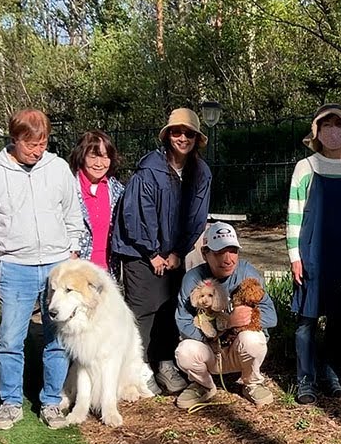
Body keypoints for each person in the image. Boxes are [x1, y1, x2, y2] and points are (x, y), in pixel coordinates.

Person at [0, 109, 88, 430]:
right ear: (14, 139)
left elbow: (71, 212)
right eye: (31, 145)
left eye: (42, 143)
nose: (38, 150)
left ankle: (51, 401)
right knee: (10, 338)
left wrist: (71, 250)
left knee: (57, 338)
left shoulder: (57, 168)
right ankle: (10, 402)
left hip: (57, 266)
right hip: (14, 266)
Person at [110, 108, 212, 395]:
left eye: (189, 133)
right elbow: (136, 215)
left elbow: (196, 216)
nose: (183, 138)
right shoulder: (149, 170)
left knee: (169, 307)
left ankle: (164, 363)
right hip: (141, 251)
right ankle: (137, 369)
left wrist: (178, 252)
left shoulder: (200, 172)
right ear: (168, 136)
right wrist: (152, 252)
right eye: (177, 132)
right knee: (143, 310)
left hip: (174, 253)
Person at [287, 104, 341, 404]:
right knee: (306, 320)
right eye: (327, 125)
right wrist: (294, 255)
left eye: (339, 125)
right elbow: (294, 213)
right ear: (317, 132)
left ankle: (331, 374)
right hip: (311, 254)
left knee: (337, 319)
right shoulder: (305, 168)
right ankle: (305, 378)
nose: (334, 130)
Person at [173, 223, 278, 409]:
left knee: (254, 339)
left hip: (239, 349)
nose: (228, 259)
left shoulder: (247, 273)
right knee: (184, 351)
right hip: (210, 351)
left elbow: (271, 317)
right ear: (205, 254)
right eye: (220, 252)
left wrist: (245, 321)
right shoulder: (193, 279)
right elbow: (183, 322)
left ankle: (251, 383)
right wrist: (225, 324)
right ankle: (203, 385)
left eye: (233, 251)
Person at [67, 129, 125, 274]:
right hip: (76, 272)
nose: (99, 164)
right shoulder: (68, 187)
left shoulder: (117, 190)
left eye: (105, 157)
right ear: (82, 156)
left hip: (108, 272)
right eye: (93, 157)